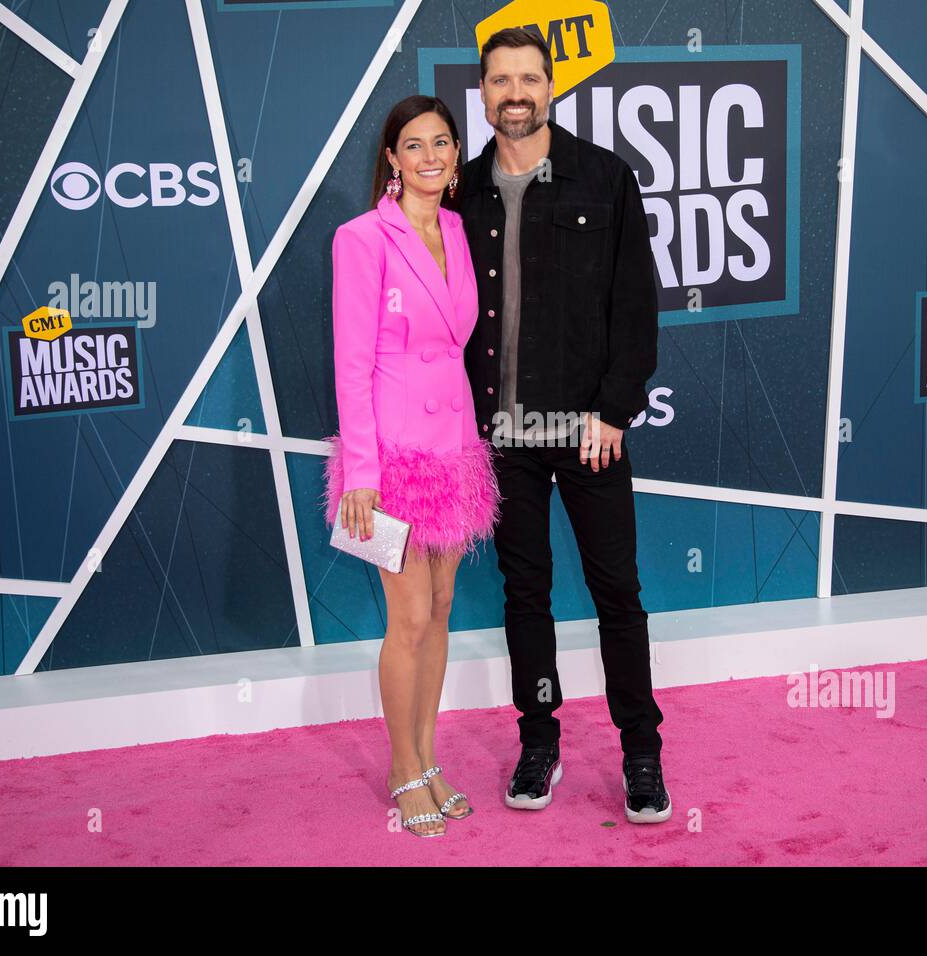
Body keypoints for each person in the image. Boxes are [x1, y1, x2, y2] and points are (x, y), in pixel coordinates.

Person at [458, 28, 672, 823]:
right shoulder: (462, 189)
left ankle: (641, 752)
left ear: (552, 87)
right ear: (482, 92)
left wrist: (614, 410)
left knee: (618, 592)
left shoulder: (604, 178)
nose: (516, 92)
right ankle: (539, 740)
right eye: (500, 80)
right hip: (501, 439)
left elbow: (636, 306)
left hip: (589, 431)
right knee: (527, 596)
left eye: (529, 79)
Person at [323, 95, 501, 838]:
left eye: (443, 143)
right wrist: (361, 471)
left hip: (455, 451)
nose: (431, 156)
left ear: (457, 154)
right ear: (391, 159)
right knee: (412, 618)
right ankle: (403, 771)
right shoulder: (362, 238)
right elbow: (351, 360)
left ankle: (428, 760)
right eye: (414, 145)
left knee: (445, 614)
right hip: (389, 460)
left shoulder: (459, 230)